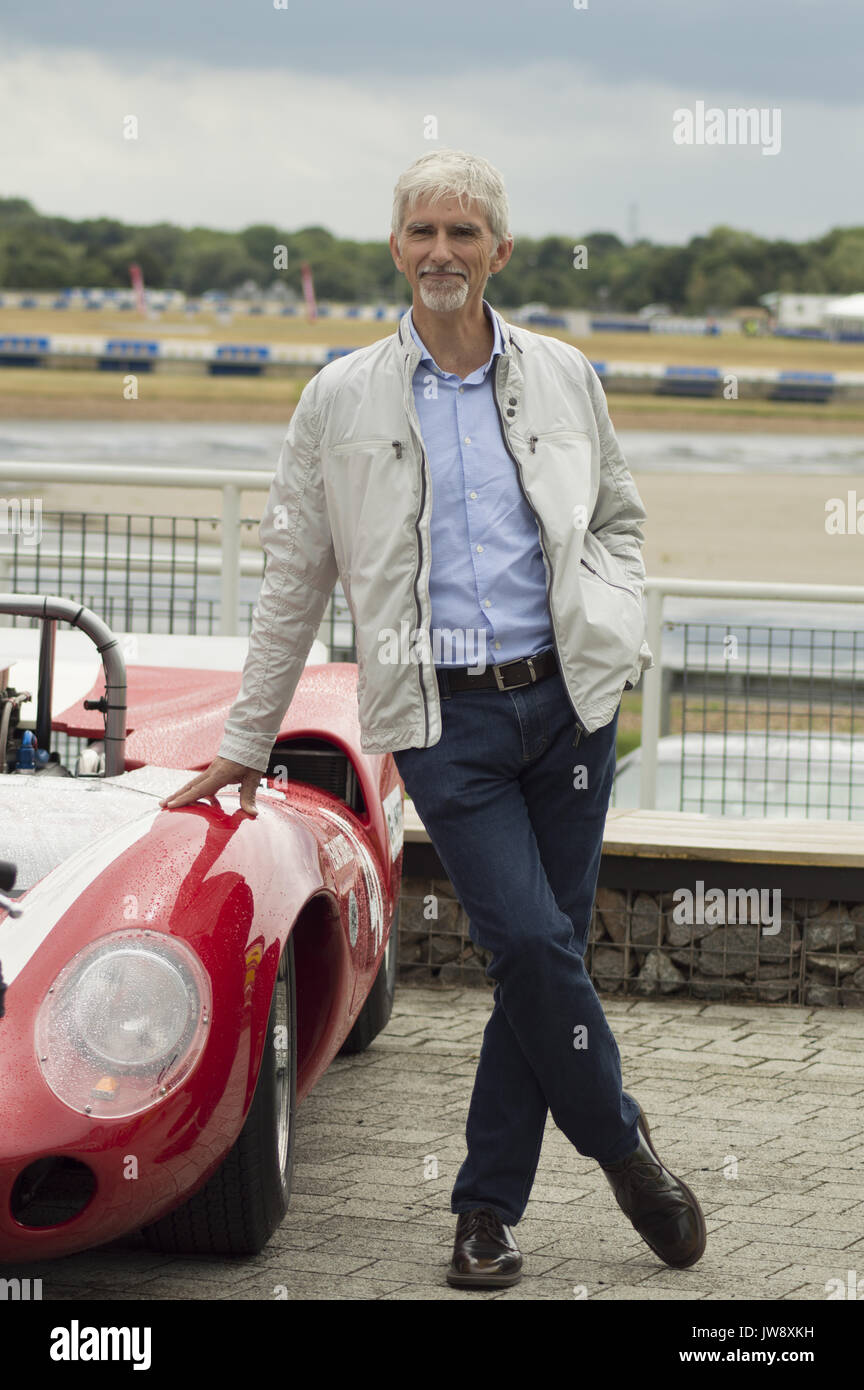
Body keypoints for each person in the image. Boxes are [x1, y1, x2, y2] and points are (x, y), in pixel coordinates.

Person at [160, 149, 706, 1288]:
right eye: (423, 232)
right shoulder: (340, 399)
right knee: (532, 943)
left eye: (464, 233)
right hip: (442, 721)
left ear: (498, 251)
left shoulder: (564, 374)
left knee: (532, 963)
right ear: (396, 248)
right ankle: (624, 1145)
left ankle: (483, 1215)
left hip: (568, 709)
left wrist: (609, 618)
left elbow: (618, 517)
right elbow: (291, 581)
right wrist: (245, 740)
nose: (442, 253)